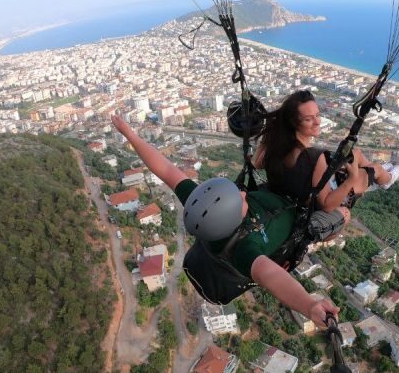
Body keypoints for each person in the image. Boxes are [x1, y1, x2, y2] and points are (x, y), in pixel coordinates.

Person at [111, 114, 339, 329]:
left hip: (279, 199)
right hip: (301, 222)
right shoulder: (243, 251)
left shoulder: (203, 204)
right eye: (239, 200)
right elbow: (271, 277)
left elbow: (166, 169)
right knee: (341, 214)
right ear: (231, 220)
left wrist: (129, 134)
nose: (242, 194)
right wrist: (309, 305)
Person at [255, 90, 399, 236]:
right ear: (294, 123)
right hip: (315, 204)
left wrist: (270, 132)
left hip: (298, 191)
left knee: (355, 153)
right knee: (374, 169)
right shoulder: (313, 157)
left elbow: (258, 163)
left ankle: (381, 175)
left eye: (317, 115)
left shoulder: (277, 143)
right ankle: (388, 180)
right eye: (308, 119)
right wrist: (351, 178)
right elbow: (327, 205)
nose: (318, 121)